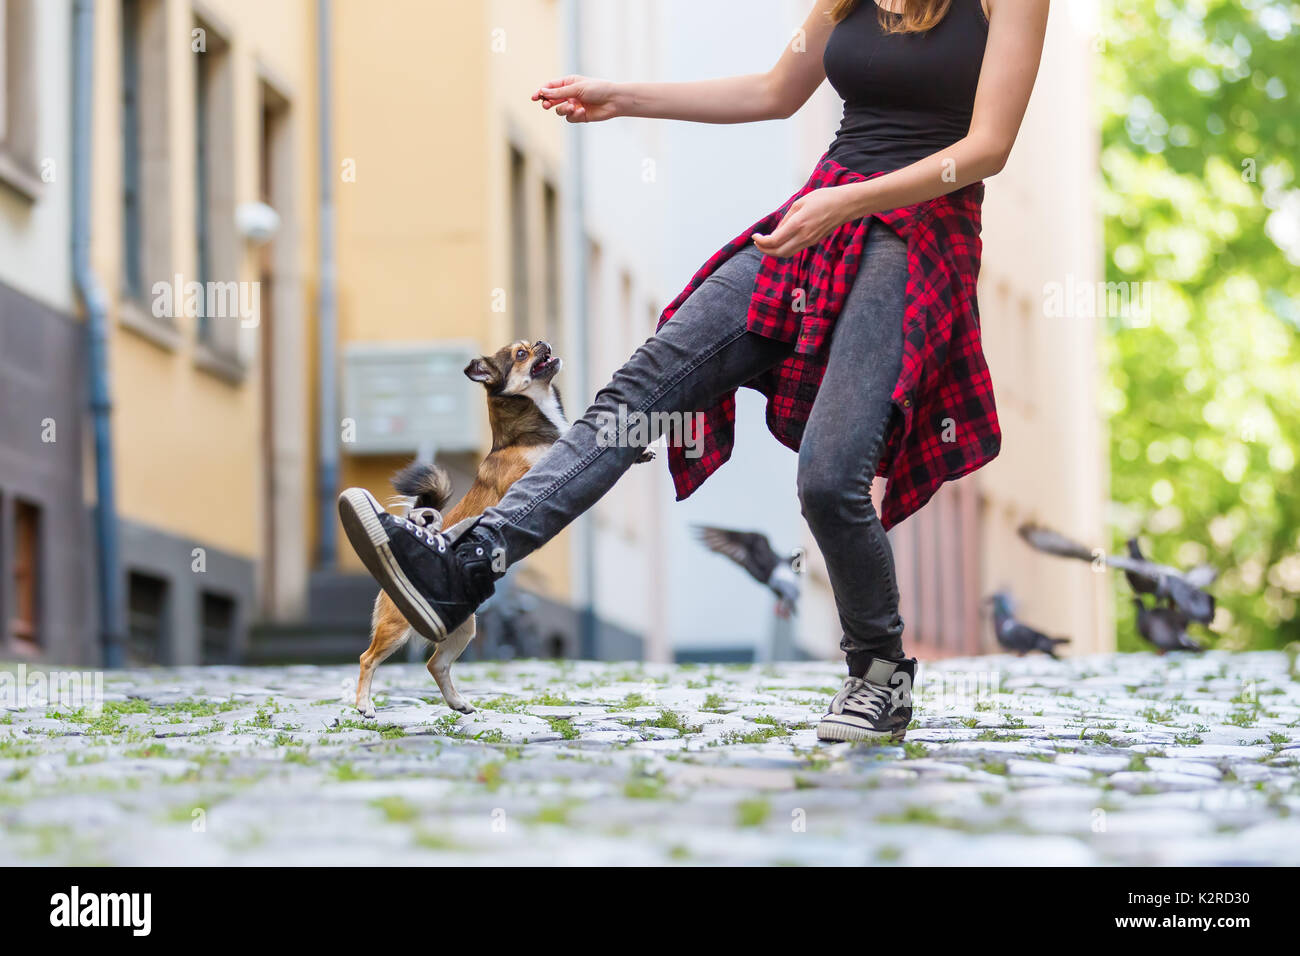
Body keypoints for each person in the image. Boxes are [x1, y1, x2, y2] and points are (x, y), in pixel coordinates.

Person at [338, 0, 1049, 742]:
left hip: (916, 234)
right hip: (822, 215)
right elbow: (774, 92)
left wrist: (850, 201)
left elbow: (988, 146)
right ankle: (471, 561)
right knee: (641, 390)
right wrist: (626, 97)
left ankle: (878, 674)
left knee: (830, 478)